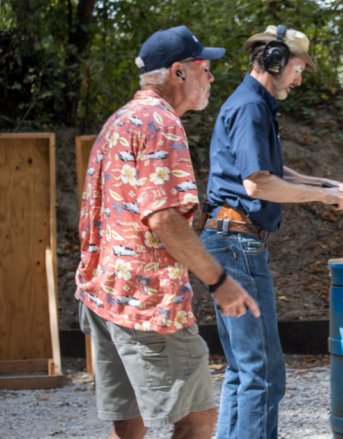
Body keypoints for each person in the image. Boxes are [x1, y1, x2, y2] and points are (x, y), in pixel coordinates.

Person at [76, 25, 260, 439]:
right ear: (179, 72)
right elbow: (163, 218)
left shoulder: (119, 120)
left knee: (129, 425)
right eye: (205, 68)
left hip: (105, 293)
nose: (211, 77)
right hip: (148, 304)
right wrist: (220, 281)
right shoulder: (162, 124)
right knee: (197, 421)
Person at [202, 25, 343, 439]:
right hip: (236, 243)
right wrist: (321, 198)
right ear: (273, 61)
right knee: (265, 373)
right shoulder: (252, 107)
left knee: (244, 370)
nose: (300, 77)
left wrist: (324, 184)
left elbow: (273, 171)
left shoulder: (252, 104)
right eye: (297, 67)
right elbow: (259, 185)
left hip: (229, 240)